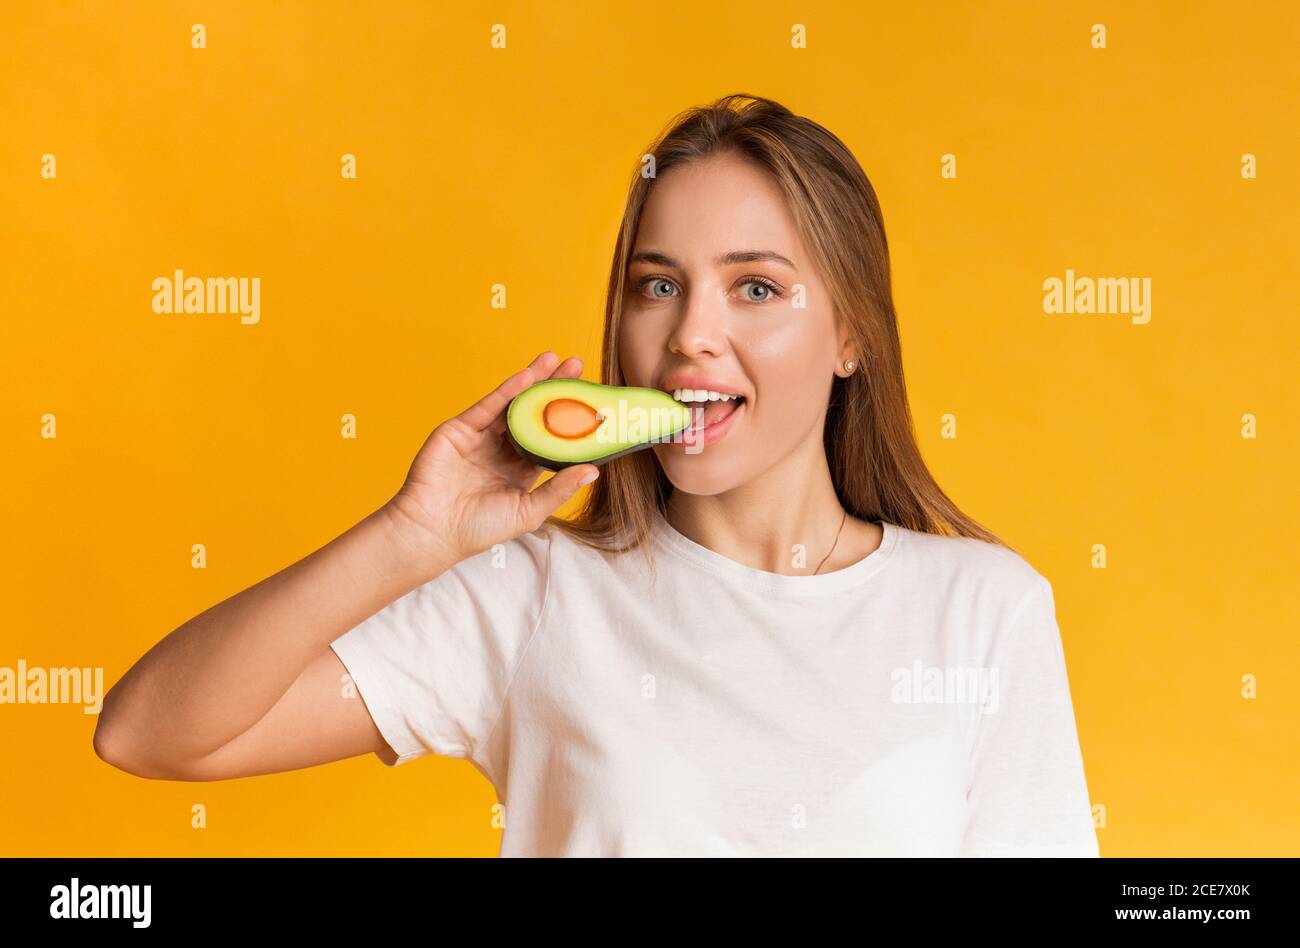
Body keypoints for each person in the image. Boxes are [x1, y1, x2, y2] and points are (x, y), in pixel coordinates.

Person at [94, 93, 1100, 857]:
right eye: (658, 285)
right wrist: (412, 536)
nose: (691, 335)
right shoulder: (535, 598)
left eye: (755, 287)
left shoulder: (981, 610)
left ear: (849, 334)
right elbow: (151, 733)